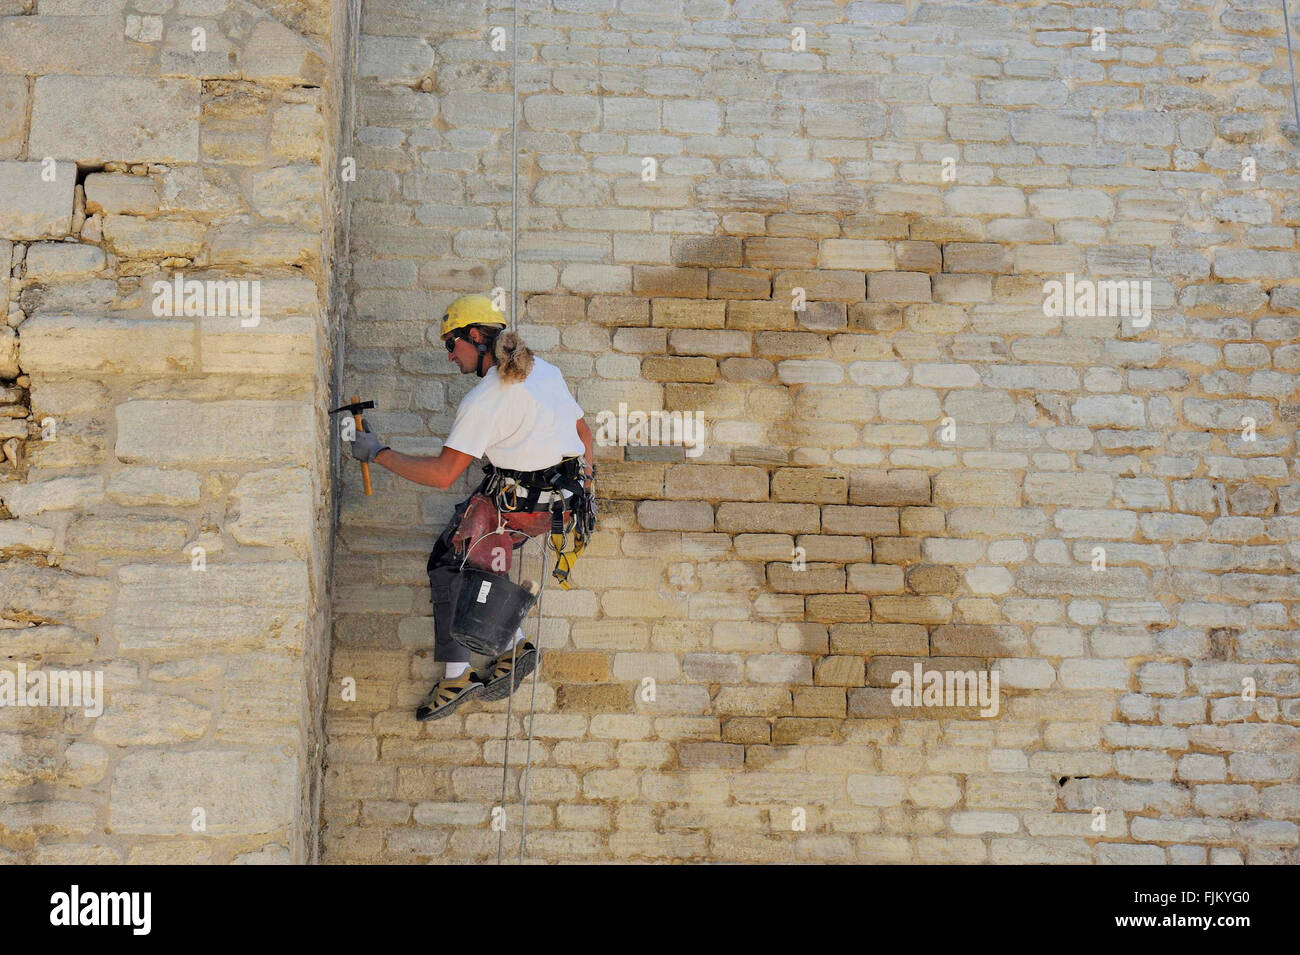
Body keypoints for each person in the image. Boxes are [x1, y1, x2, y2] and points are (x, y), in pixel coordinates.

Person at [347, 293, 595, 721]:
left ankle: (461, 675)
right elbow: (583, 433)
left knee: (451, 565)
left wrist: (378, 453)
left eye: (451, 345)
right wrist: (584, 487)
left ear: (476, 336)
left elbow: (443, 473)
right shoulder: (545, 371)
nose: (449, 357)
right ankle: (515, 647)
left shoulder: (485, 398)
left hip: (519, 505)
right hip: (561, 507)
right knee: (473, 554)